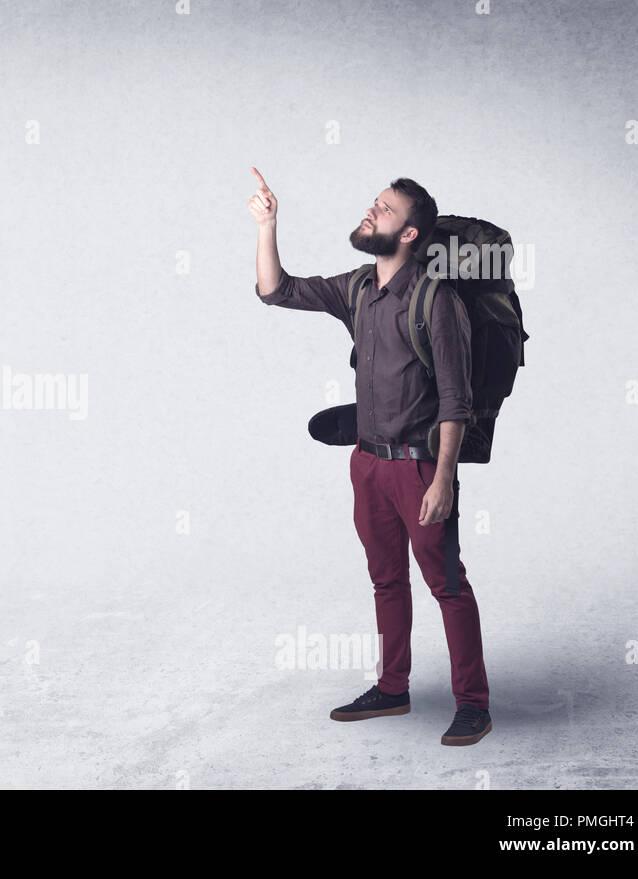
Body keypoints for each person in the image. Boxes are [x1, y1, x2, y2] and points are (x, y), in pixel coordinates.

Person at [248, 168, 492, 746]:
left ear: (409, 234)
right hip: (367, 464)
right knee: (386, 581)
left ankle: (474, 704)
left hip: (421, 468)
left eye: (383, 209)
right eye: (374, 204)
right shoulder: (358, 287)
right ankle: (393, 687)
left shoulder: (437, 301)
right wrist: (267, 224)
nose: (371, 212)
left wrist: (444, 482)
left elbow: (458, 401)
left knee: (448, 585)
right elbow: (274, 290)